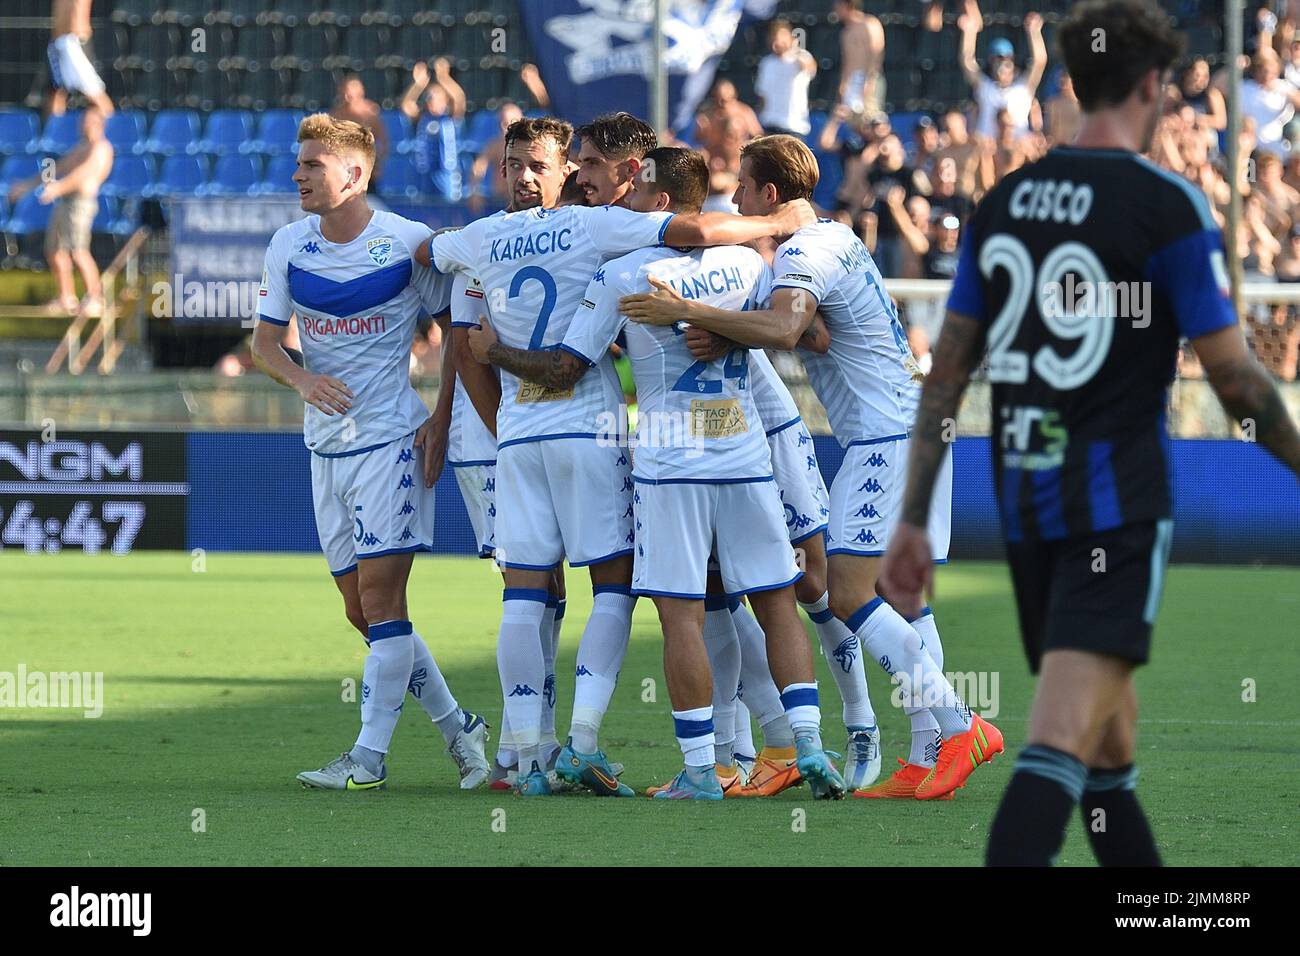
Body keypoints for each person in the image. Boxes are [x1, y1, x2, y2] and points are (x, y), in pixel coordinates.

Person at [877, 0, 1300, 866]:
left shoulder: (1002, 204)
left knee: (1109, 761)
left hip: (1027, 504)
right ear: (1152, 85)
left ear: (1072, 82)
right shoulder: (1167, 206)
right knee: (1061, 738)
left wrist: (914, 517)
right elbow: (1235, 379)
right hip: (1115, 513)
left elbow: (948, 376)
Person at [418, 119, 818, 796]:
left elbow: (429, 258)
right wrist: (778, 222)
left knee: (525, 592)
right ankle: (591, 743)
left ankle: (523, 758)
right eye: (532, 164)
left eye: (538, 164)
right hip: (620, 434)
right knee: (636, 588)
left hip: (519, 433)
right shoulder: (595, 232)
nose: (538, 175)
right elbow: (696, 235)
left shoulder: (482, 238)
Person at [619, 134, 1000, 801]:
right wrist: (732, 324)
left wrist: (690, 312)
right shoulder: (836, 239)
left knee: (850, 594)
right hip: (918, 429)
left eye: (741, 186)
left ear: (769, 193)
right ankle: (922, 755)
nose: (734, 198)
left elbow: (792, 329)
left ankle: (961, 724)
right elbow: (820, 332)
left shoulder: (805, 250)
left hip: (887, 439)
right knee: (904, 601)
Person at [249, 114, 490, 792]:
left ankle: (368, 759)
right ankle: (458, 728)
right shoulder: (289, 245)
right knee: (362, 612)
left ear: (355, 174)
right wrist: (302, 378)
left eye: (312, 165)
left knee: (384, 602)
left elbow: (459, 331)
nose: (297, 174)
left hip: (392, 442)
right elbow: (263, 343)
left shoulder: (407, 243)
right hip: (325, 449)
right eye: (298, 164)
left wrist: (441, 420)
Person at [8, 106, 112, 317]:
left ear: (98, 124)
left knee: (79, 251)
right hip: (64, 203)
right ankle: (66, 298)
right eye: (83, 120)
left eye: (88, 120)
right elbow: (59, 168)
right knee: (55, 251)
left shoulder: (101, 148)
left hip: (80, 205)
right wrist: (27, 186)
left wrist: (58, 188)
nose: (83, 124)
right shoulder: (82, 147)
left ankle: (95, 298)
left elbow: (82, 175)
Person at [959, 2, 1047, 141]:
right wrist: (969, 32)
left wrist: (1034, 32)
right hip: (989, 151)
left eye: (1006, 61)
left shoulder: (1023, 88)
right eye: (997, 61)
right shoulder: (986, 88)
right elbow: (967, 62)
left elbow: (1039, 62)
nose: (1002, 67)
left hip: (1017, 150)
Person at [401, 59, 467, 200]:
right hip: (425, 173)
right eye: (429, 98)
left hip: (447, 173)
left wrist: (444, 77)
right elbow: (407, 105)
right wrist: (418, 84)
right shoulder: (422, 118)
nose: (431, 101)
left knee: (450, 207)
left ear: (445, 101)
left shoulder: (450, 119)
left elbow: (459, 98)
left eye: (436, 98)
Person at [574, 111, 660, 207]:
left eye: (592, 163)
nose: (579, 179)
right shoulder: (573, 214)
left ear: (631, 168)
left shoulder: (659, 220)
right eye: (581, 164)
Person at [47, 0, 113, 117]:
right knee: (58, 91)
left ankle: (107, 132)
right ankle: (55, 131)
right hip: (58, 42)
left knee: (96, 94)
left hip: (74, 42)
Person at [755, 18, 816, 138]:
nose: (777, 43)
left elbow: (810, 68)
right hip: (770, 124)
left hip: (794, 126)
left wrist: (794, 48)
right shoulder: (766, 63)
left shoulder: (800, 58)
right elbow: (762, 94)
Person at [834, 0, 885, 117]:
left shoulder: (870, 24)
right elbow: (847, 61)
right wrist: (844, 83)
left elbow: (876, 54)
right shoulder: (845, 32)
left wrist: (870, 80)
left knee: (870, 117)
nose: (836, 10)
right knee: (851, 119)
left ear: (848, 5)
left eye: (838, 6)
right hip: (852, 82)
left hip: (868, 78)